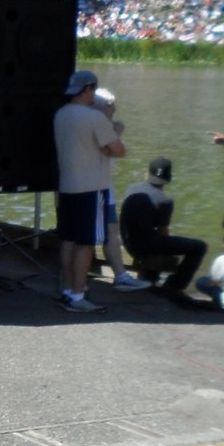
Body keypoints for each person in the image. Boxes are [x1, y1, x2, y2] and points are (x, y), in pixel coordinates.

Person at [54, 70, 126, 313]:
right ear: (88, 90)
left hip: (67, 186)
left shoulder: (61, 114)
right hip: (92, 189)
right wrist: (113, 127)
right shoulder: (94, 119)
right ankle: (77, 295)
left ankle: (65, 290)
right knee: (86, 244)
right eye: (92, 90)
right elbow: (118, 150)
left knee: (68, 240)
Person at [120, 157, 206, 300]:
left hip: (128, 242)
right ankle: (175, 285)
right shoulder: (164, 200)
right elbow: (163, 232)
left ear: (147, 174)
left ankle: (150, 280)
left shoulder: (132, 188)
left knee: (153, 240)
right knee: (199, 247)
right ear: (168, 178)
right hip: (144, 247)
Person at [92, 88, 148, 292]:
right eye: (109, 105)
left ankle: (120, 275)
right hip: (94, 187)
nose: (114, 109)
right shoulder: (97, 126)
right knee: (96, 234)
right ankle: (116, 276)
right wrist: (117, 132)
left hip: (106, 187)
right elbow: (112, 152)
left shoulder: (108, 125)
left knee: (111, 231)